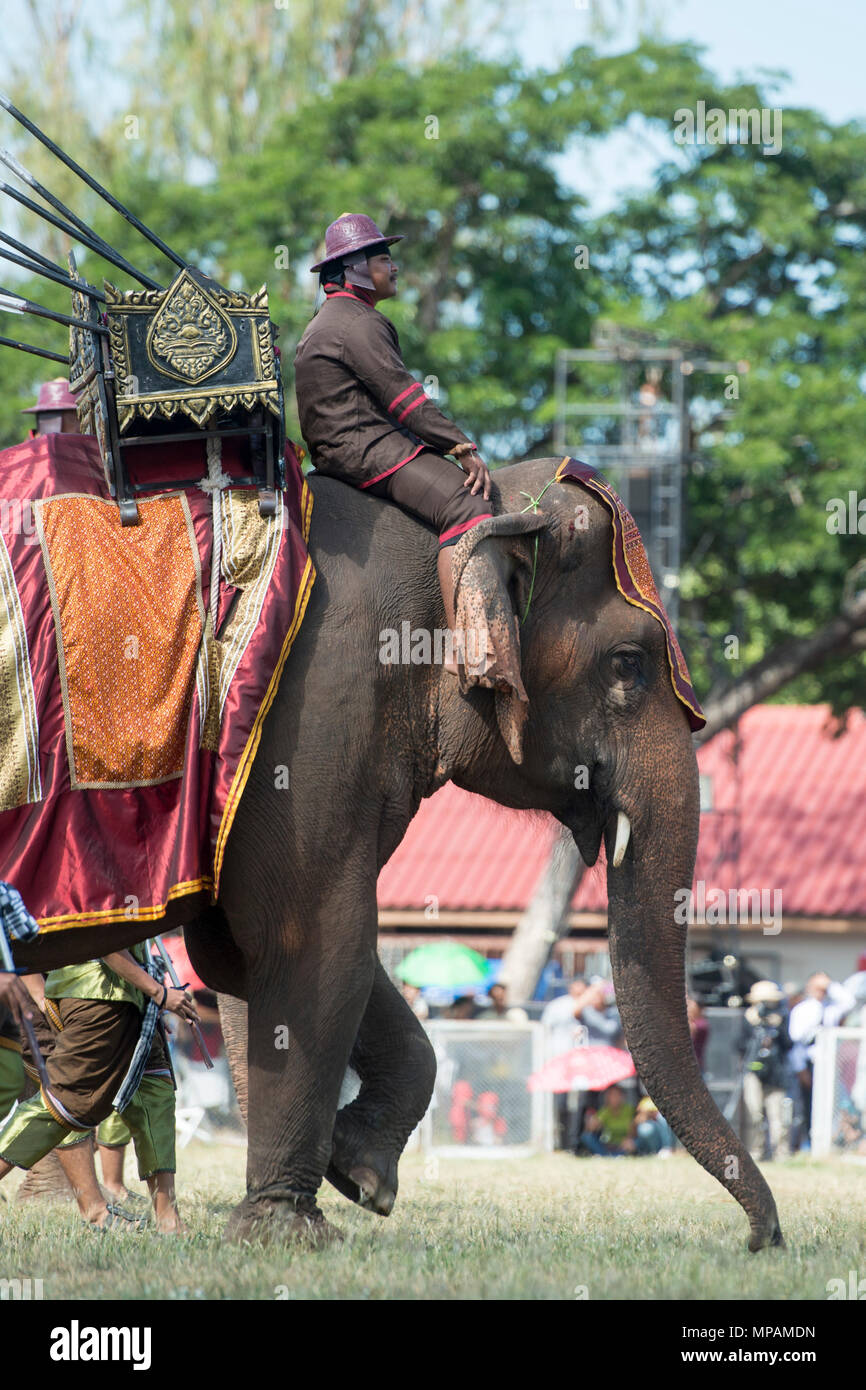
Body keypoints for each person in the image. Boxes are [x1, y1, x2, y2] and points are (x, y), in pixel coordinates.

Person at [294, 214, 495, 673]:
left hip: (340, 454)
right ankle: (468, 646)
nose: (395, 267)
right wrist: (461, 446)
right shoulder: (360, 323)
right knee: (467, 504)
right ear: (357, 268)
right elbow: (406, 400)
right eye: (385, 258)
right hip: (369, 452)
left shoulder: (326, 321)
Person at [0, 943, 199, 1232]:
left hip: (131, 987)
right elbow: (104, 934)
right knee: (65, 1101)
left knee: (155, 1086)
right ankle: (95, 1208)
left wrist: (150, 991)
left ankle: (167, 1217)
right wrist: (159, 992)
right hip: (92, 992)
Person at [789, 971, 856, 1151]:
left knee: (830, 1104)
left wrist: (830, 985)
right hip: (808, 1063)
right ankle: (805, 1144)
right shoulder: (804, 1009)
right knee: (805, 1104)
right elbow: (796, 1038)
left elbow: (849, 1001)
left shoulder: (831, 1007)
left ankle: (827, 1143)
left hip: (829, 1064)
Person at [737, 980, 794, 1162]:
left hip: (776, 1074)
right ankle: (755, 1151)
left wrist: (776, 1028)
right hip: (754, 1072)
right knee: (754, 1114)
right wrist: (756, 1033)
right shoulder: (748, 1019)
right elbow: (738, 1045)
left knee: (778, 1116)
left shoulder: (782, 1018)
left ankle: (781, 1153)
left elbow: (788, 1044)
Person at [580, 1084, 636, 1156]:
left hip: (625, 1144)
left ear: (622, 1097)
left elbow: (635, 1128)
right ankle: (605, 1155)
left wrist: (629, 1138)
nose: (614, 1098)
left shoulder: (629, 1110)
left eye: (616, 1095)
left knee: (633, 1144)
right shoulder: (605, 1111)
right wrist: (593, 1123)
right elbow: (591, 1128)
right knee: (586, 1137)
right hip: (609, 1144)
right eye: (611, 1095)